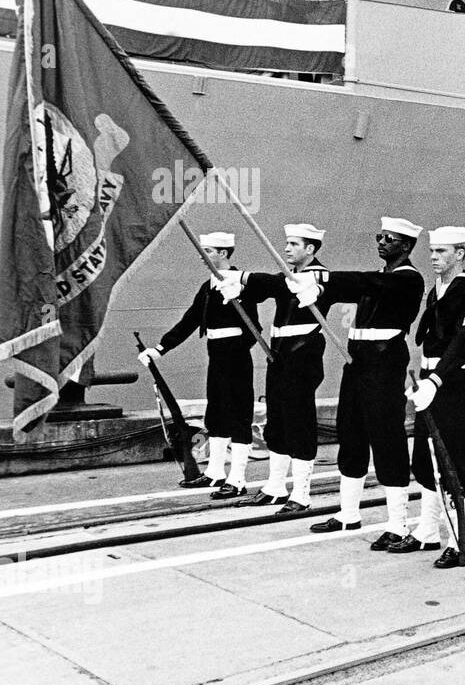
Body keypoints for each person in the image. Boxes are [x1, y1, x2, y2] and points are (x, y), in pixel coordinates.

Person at [296, 217, 425, 545]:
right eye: (380, 236)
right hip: (357, 364)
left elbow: (365, 284)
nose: (382, 242)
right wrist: (321, 290)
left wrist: (323, 279)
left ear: (407, 246)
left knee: (387, 439)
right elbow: (358, 285)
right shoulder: (379, 277)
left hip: (384, 364)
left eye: (390, 239)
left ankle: (399, 525)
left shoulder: (408, 279)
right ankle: (348, 514)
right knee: (350, 434)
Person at [139, 232, 261, 499]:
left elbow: (255, 330)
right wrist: (160, 349)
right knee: (216, 416)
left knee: (238, 416)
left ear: (224, 254)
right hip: (216, 356)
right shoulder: (208, 287)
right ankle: (216, 473)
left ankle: (238, 479)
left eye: (208, 250)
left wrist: (235, 351)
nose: (201, 255)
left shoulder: (241, 285)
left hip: (236, 358)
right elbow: (189, 320)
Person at [405, 226, 465, 565]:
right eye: (431, 251)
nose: (432, 257)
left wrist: (436, 382)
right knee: (424, 460)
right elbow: (429, 340)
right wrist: (424, 380)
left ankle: (460, 541)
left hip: (453, 385)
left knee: (458, 462)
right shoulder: (437, 290)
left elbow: (461, 342)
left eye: (441, 252)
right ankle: (427, 532)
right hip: (431, 380)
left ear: (460, 253)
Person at [222, 223, 329, 513]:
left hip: (302, 356)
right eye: (287, 244)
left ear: (310, 249)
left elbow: (276, 284)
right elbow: (268, 287)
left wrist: (243, 276)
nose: (286, 249)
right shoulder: (290, 277)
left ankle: (302, 493)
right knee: (278, 422)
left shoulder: (319, 276)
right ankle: (276, 486)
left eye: (293, 244)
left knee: (299, 422)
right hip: (279, 355)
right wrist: (240, 287)